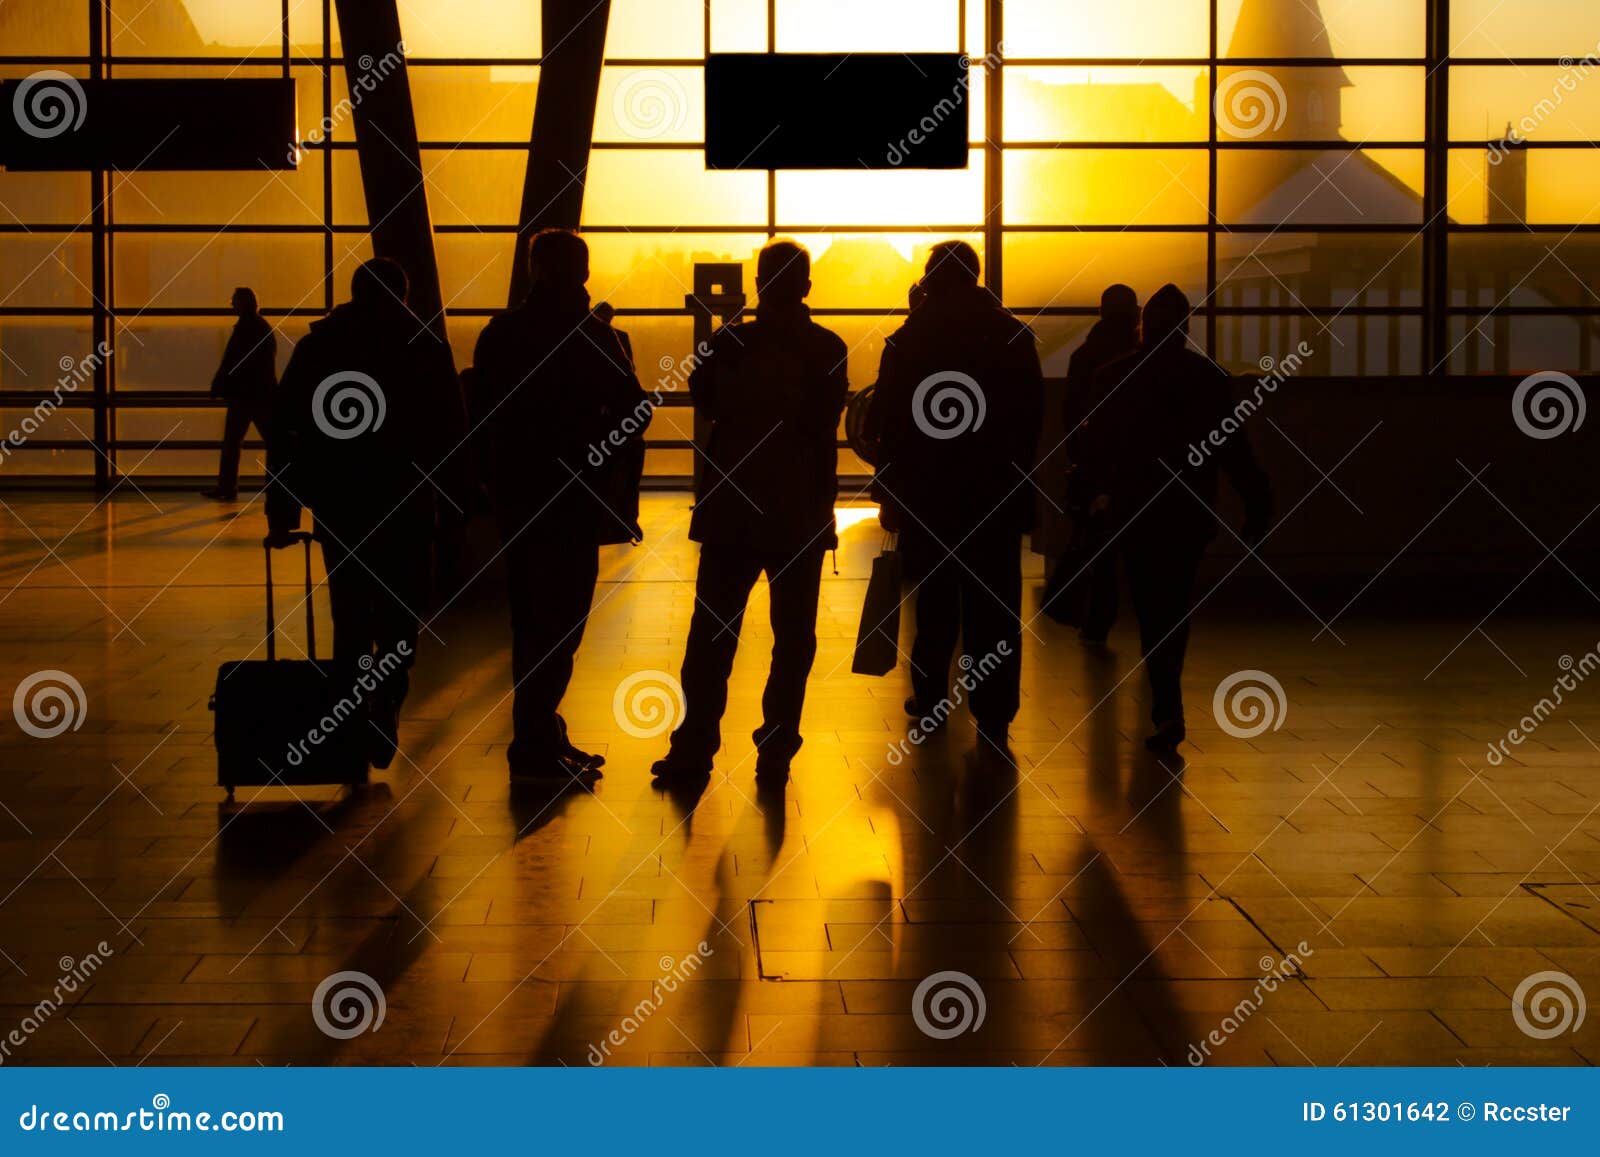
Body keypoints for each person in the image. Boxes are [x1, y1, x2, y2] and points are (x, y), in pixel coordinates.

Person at [651, 239, 849, 784]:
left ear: (758, 283)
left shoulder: (727, 345)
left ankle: (693, 751)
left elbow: (708, 405)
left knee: (711, 638)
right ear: (806, 287)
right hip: (799, 514)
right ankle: (777, 743)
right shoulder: (828, 348)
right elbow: (824, 419)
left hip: (732, 514)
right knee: (793, 639)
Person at [266, 258, 469, 769]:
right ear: (403, 294)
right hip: (406, 500)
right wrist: (463, 499)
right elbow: (451, 432)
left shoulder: (319, 347)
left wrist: (283, 507)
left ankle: (353, 712)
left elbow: (285, 429)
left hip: (342, 500)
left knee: (352, 614)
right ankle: (387, 695)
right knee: (401, 612)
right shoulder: (424, 348)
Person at [473, 229, 648, 785]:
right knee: (564, 621)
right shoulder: (597, 339)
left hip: (519, 496)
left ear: (533, 271)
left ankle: (538, 735)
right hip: (574, 498)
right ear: (583, 273)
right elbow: (634, 413)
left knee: (529, 619)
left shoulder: (501, 334)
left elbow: (480, 414)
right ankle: (535, 740)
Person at [867, 241, 1044, 753]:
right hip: (995, 498)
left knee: (936, 603)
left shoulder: (910, 340)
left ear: (930, 281)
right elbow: (1029, 421)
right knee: (995, 608)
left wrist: (895, 484)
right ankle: (994, 715)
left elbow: (882, 423)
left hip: (931, 498)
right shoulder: (1013, 337)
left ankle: (929, 698)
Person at [1078, 283, 1271, 751]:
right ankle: (1168, 703)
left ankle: (1165, 701)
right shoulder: (1206, 378)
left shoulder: (1114, 376)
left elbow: (1093, 451)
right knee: (1174, 604)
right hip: (1186, 511)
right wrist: (1257, 504)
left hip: (1135, 510)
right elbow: (1233, 450)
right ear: (1185, 327)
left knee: (1149, 605)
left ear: (1143, 325)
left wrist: (1091, 499)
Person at [1045, 284, 1141, 640]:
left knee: (1095, 543)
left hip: (1095, 466)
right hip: (1139, 469)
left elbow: (1072, 415)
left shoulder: (1085, 357)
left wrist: (1081, 458)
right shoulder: (1144, 357)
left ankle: (1097, 618)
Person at [202, 287, 277, 501]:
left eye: (234, 300)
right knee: (272, 441)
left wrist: (220, 384)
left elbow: (231, 360)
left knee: (232, 442)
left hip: (245, 395)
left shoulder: (245, 328)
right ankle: (276, 487)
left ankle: (227, 487)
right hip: (260, 393)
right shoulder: (260, 327)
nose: (231, 304)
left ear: (242, 303)